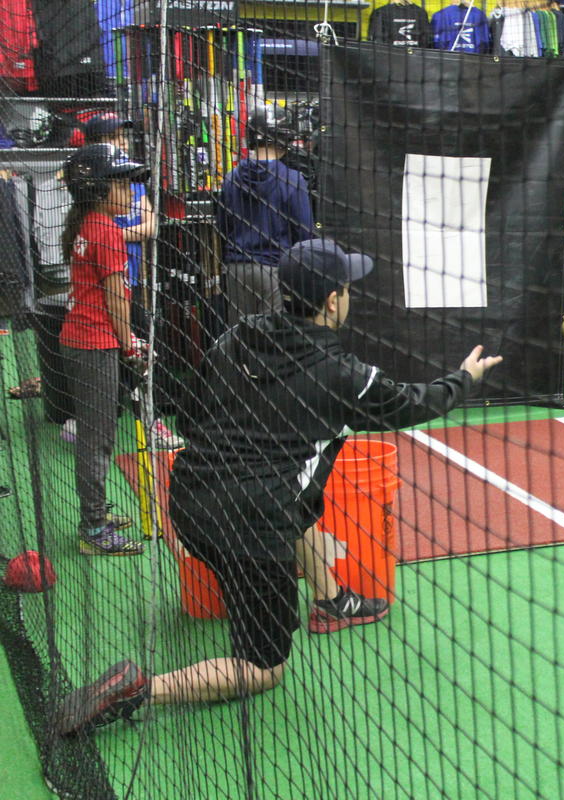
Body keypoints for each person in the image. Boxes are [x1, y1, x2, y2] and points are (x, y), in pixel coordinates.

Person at [53, 238, 502, 736]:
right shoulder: (344, 373)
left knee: (298, 504)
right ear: (332, 300)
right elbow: (416, 403)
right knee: (263, 667)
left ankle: (332, 600)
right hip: (249, 528)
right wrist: (465, 377)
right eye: (347, 288)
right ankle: (140, 688)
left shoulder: (237, 335)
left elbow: (191, 414)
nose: (350, 296)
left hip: (187, 500)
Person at [58, 143, 151, 556]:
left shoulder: (90, 222)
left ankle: (96, 514)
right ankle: (93, 528)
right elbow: (117, 300)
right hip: (93, 343)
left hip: (83, 340)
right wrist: (130, 344)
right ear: (96, 189)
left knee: (98, 435)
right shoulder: (107, 231)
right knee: (96, 440)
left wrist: (126, 342)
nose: (130, 192)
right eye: (122, 184)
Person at [82, 112, 183, 451]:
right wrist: (119, 235)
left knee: (138, 354)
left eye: (123, 137)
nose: (121, 143)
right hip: (106, 288)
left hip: (131, 280)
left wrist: (116, 234)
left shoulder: (131, 178)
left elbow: (151, 226)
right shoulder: (91, 185)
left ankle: (140, 421)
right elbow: (101, 232)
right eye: (113, 137)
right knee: (131, 355)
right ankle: (141, 424)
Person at [215, 103, 316, 325]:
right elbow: (304, 234)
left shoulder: (231, 178)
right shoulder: (292, 179)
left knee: (241, 336)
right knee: (274, 338)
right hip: (275, 271)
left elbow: (222, 227)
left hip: (236, 270)